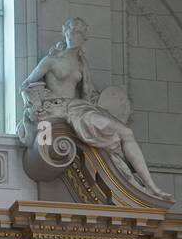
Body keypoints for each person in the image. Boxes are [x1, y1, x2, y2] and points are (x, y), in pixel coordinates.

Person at [20, 17, 172, 200]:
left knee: (126, 133)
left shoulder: (82, 64)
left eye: (77, 33)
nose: (72, 37)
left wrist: (111, 104)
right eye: (70, 32)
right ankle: (143, 183)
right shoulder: (51, 60)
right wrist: (37, 105)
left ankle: (150, 186)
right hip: (60, 110)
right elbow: (26, 85)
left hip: (78, 108)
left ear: (83, 38)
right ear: (65, 33)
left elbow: (88, 95)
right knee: (121, 134)